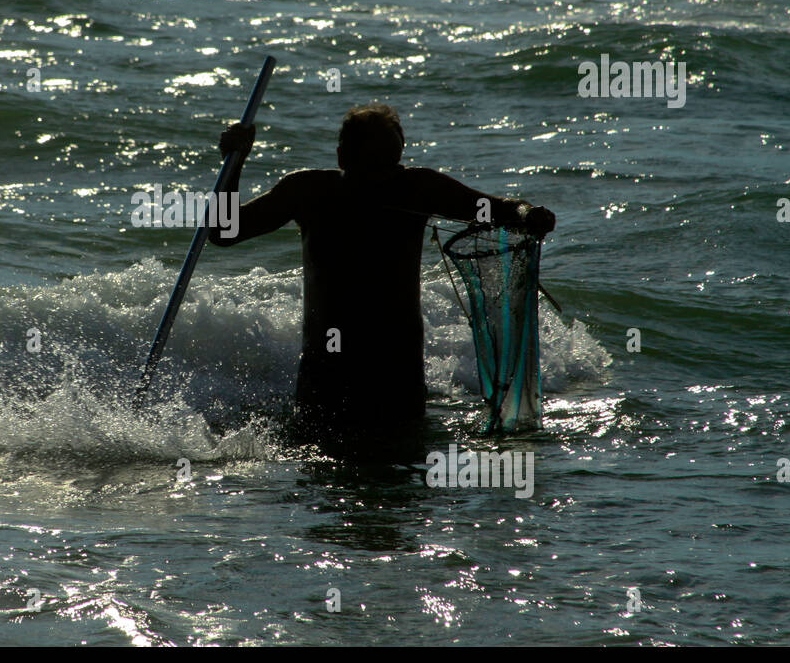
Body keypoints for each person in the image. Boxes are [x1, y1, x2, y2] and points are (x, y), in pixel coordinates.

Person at [208, 104, 555, 461]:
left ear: (399, 159)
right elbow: (223, 231)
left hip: (395, 372)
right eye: (371, 166)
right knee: (331, 468)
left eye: (389, 164)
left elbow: (496, 209)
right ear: (343, 158)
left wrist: (528, 214)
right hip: (328, 374)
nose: (381, 178)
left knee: (388, 466)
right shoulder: (310, 190)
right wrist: (234, 163)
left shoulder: (415, 187)